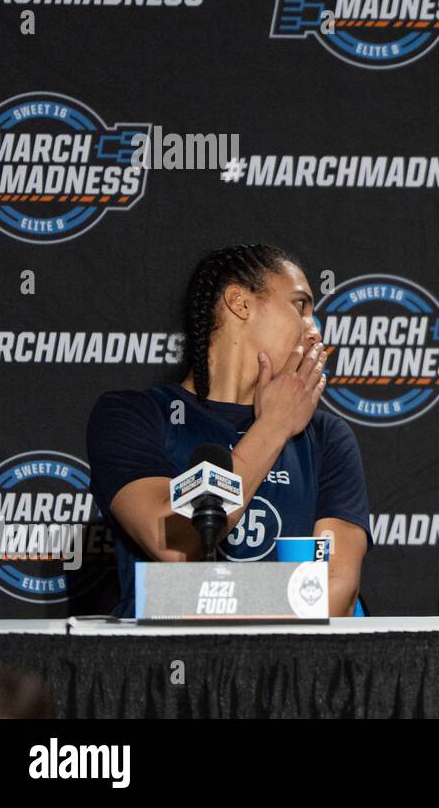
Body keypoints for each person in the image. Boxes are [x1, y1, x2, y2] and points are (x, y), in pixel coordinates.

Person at [86, 243, 370, 617]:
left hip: (286, 670)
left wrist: (180, 596)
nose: (315, 331)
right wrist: (273, 427)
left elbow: (337, 591)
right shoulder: (133, 415)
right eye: (300, 306)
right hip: (164, 668)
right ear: (240, 302)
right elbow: (174, 542)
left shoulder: (327, 437)